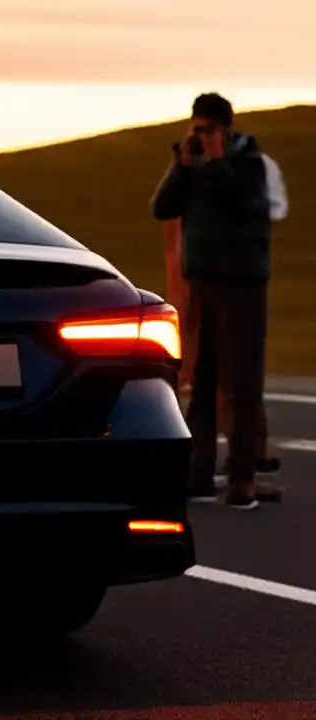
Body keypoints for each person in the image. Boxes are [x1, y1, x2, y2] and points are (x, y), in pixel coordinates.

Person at [152, 92, 271, 510]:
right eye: (195, 128)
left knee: (241, 382)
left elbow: (249, 206)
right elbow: (161, 207)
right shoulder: (193, 166)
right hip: (202, 284)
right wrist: (182, 168)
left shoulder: (249, 164)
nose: (200, 136)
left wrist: (220, 162)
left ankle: (242, 478)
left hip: (242, 286)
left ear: (225, 129)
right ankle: (198, 473)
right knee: (200, 382)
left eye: (208, 129)